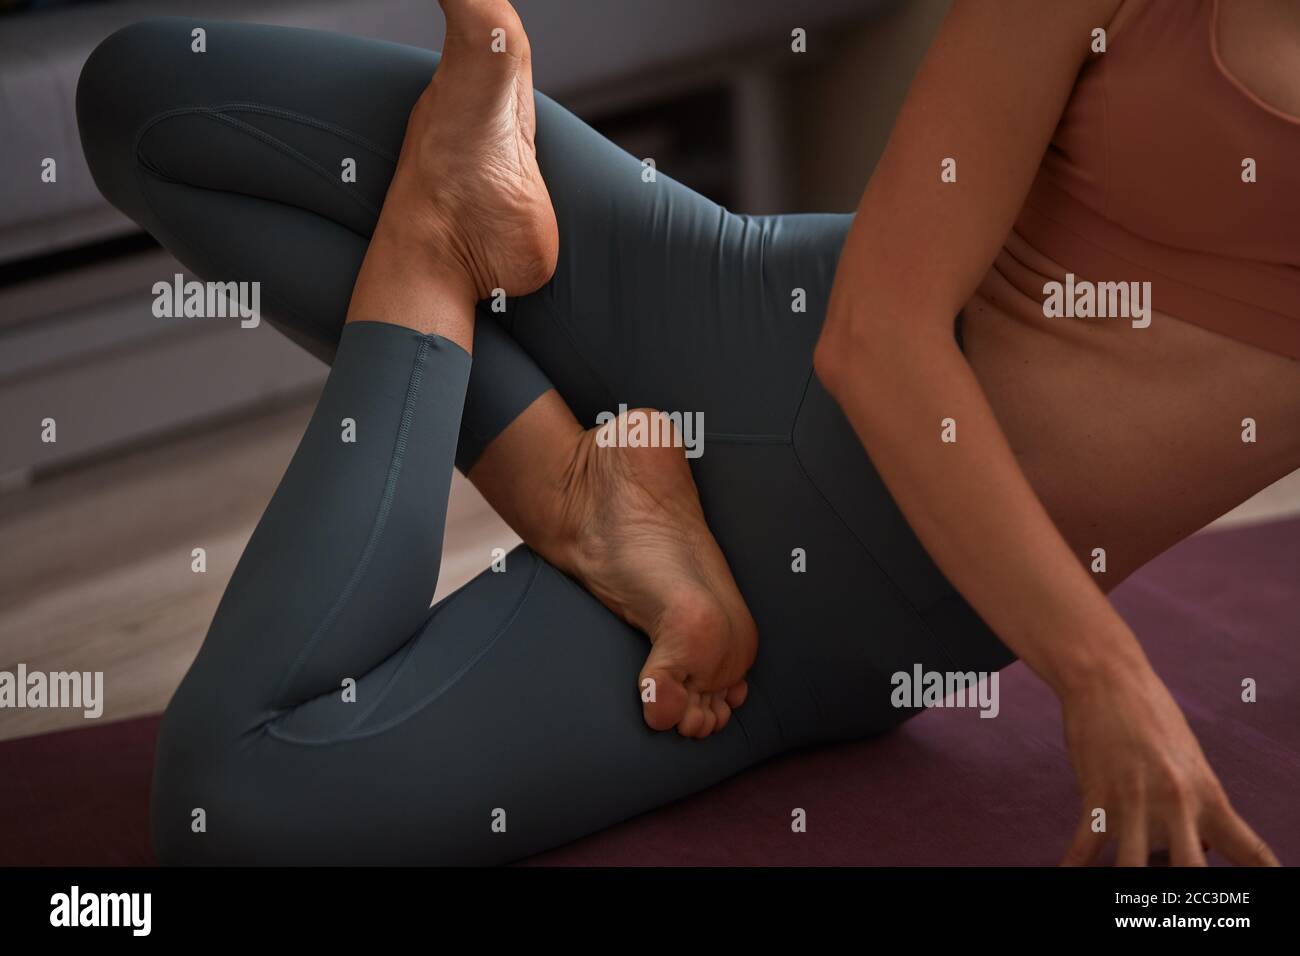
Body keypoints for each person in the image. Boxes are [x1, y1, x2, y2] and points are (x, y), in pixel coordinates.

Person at [76, 0, 1293, 865]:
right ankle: (569, 481)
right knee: (147, 96)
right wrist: (1103, 674)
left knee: (234, 806)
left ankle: (438, 246)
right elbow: (877, 336)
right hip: (752, 306)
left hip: (837, 601)